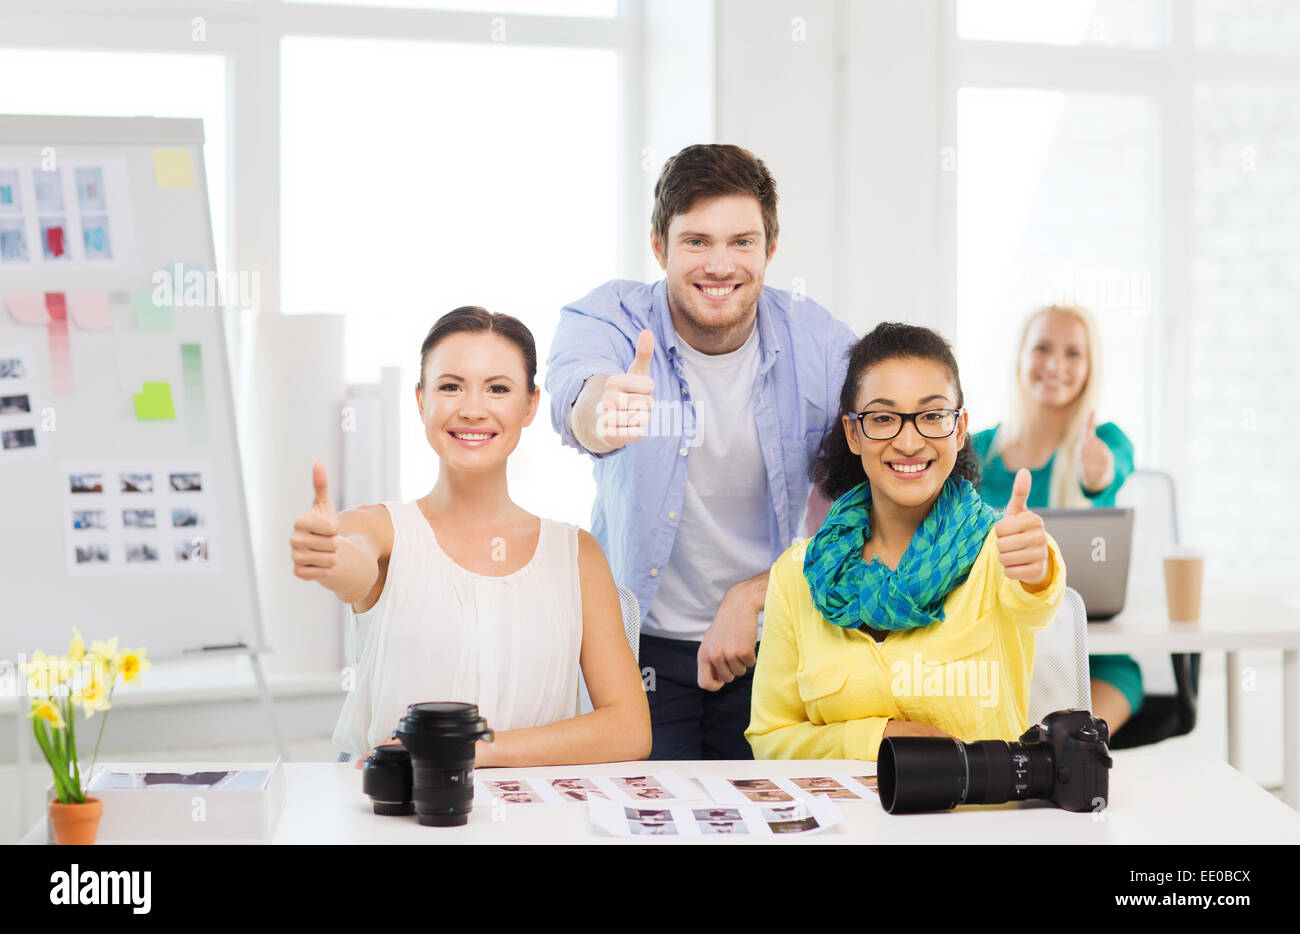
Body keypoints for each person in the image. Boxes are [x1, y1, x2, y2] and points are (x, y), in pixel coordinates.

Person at [545, 143, 857, 760]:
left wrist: (756, 593)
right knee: (649, 820)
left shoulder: (820, 345)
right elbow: (574, 393)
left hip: (775, 639)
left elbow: (872, 497)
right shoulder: (609, 317)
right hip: (638, 648)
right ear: (659, 248)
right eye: (696, 241)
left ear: (771, 249)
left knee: (772, 819)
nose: (720, 264)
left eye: (741, 242)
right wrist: (604, 410)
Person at [290, 306, 651, 765]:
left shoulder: (576, 553)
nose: (473, 409)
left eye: (498, 389)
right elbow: (351, 561)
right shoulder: (380, 529)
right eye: (450, 387)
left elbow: (630, 729)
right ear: (420, 400)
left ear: (530, 405)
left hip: (535, 824)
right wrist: (328, 553)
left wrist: (472, 751)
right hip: (397, 822)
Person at [746, 322, 1065, 761]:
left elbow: (1038, 595)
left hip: (972, 823)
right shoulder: (796, 575)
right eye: (883, 418)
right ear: (854, 434)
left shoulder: (1000, 551)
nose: (910, 441)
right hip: (848, 827)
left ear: (959, 429)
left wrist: (1039, 563)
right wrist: (878, 740)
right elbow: (771, 740)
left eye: (932, 416)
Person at [970, 304, 1140, 734]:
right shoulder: (973, 451)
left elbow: (1107, 471)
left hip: (1094, 660)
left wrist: (1096, 470)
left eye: (1073, 354)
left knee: (1068, 754)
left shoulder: (1106, 442)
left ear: (1089, 367)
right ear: (1021, 358)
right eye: (1042, 348)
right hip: (998, 652)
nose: (1055, 365)